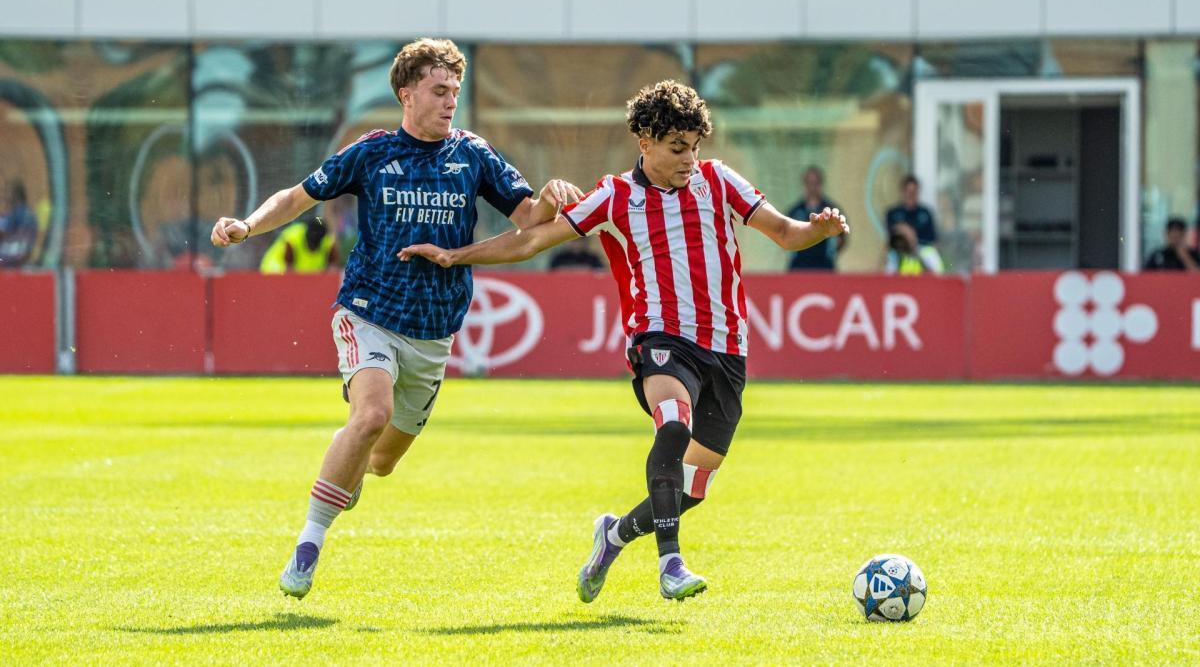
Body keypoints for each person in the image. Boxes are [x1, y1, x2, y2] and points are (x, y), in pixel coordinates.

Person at [400, 80, 847, 602]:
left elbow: (788, 233)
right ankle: (671, 564)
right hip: (659, 338)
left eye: (695, 147)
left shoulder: (718, 181)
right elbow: (534, 240)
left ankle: (612, 536)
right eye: (677, 148)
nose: (689, 159)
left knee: (693, 486)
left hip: (726, 347)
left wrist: (819, 228)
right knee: (674, 423)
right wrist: (458, 255)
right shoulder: (615, 196)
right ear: (645, 143)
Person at [209, 37, 582, 600]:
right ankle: (308, 546)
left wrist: (551, 196)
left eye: (455, 91)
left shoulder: (474, 154)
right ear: (406, 94)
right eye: (438, 90)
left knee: (380, 460)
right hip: (368, 311)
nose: (449, 100)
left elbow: (529, 217)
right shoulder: (372, 151)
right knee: (370, 413)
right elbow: (297, 196)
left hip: (434, 333)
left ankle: (349, 475)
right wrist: (247, 224)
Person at [786, 166, 846, 271]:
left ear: (820, 184)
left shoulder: (831, 210)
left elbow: (842, 237)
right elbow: (784, 235)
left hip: (824, 266)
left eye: (815, 183)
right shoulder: (795, 211)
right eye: (809, 183)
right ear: (805, 185)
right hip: (798, 267)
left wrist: (831, 252)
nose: (812, 187)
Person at [885, 175, 943, 273]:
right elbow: (892, 234)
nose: (911, 195)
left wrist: (914, 240)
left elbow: (933, 240)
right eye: (908, 191)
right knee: (890, 263)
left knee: (933, 259)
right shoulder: (893, 213)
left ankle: (939, 285)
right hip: (900, 249)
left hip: (922, 248)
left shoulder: (925, 212)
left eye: (914, 191)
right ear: (903, 192)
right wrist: (906, 232)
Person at [260, 217, 339, 273]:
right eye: (311, 241)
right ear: (307, 235)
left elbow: (332, 271)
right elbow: (288, 269)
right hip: (274, 270)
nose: (313, 246)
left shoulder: (328, 242)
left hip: (302, 276)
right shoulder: (293, 238)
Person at [0, 183, 39, 267]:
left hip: (9, 255)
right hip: (24, 254)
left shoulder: (16, 213)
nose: (6, 197)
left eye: (8, 194)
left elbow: (3, 232)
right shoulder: (31, 213)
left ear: (15, 196)